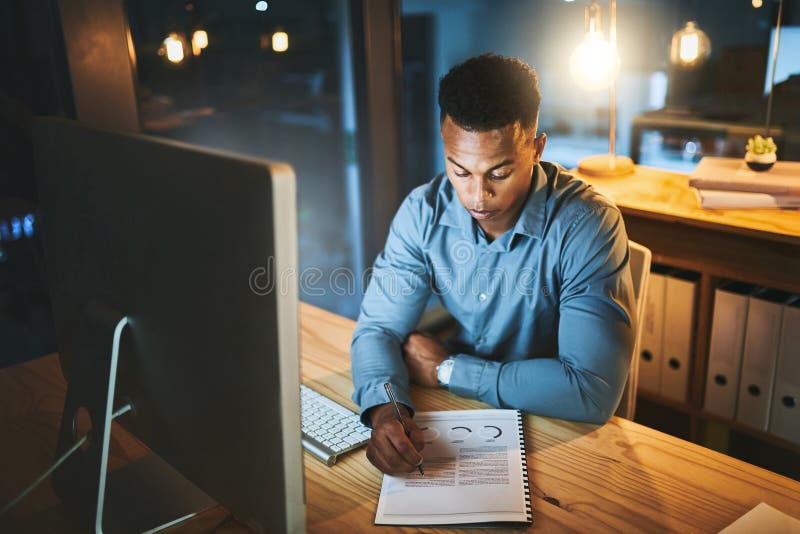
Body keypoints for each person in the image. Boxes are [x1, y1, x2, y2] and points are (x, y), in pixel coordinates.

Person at [350, 54, 635, 475]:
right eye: (459, 170)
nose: (477, 197)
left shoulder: (588, 225)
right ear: (444, 143)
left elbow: (590, 392)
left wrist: (448, 369)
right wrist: (386, 411)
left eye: (499, 173)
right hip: (458, 418)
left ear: (537, 148)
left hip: (556, 431)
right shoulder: (422, 211)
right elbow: (378, 329)